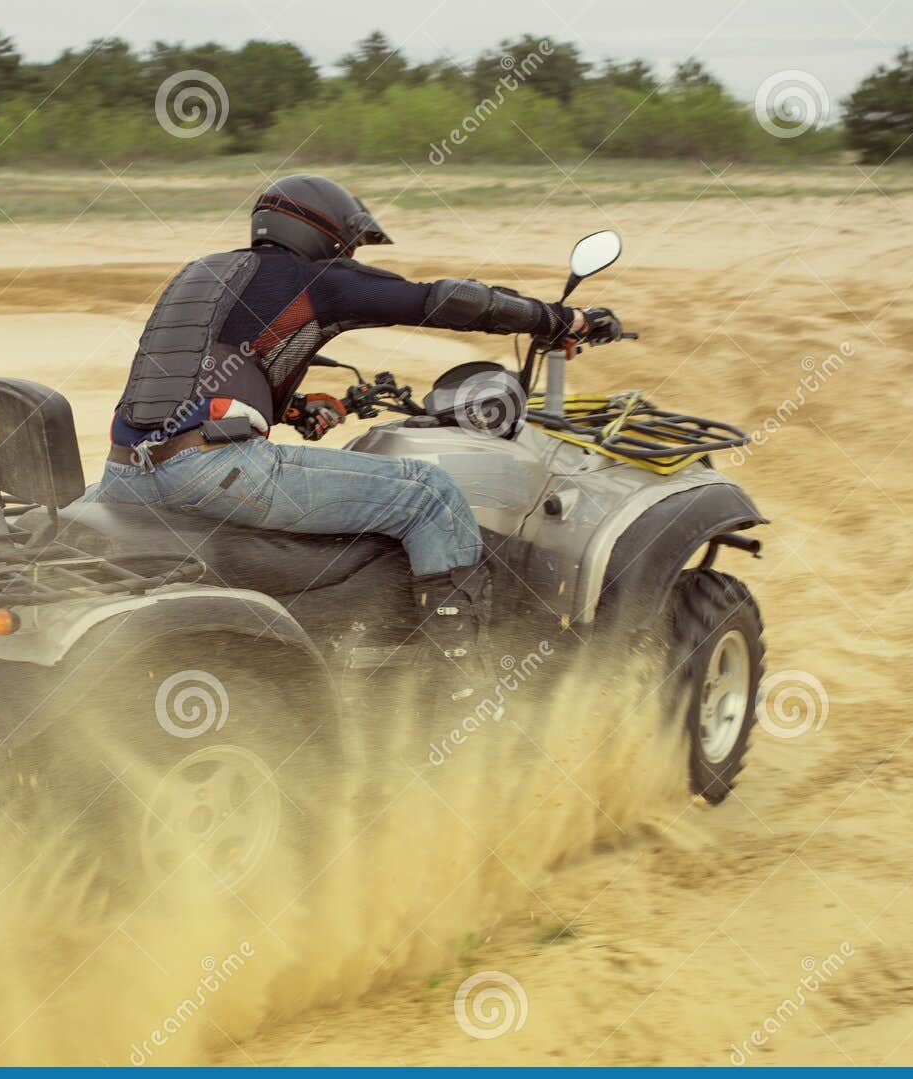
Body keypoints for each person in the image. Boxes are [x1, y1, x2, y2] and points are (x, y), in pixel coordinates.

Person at [85, 173, 618, 699]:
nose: (352, 259)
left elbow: (191, 377)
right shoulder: (315, 279)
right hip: (210, 471)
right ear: (326, 235)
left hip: (126, 474)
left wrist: (294, 408)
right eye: (351, 246)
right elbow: (441, 299)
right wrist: (557, 319)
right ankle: (462, 682)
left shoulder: (203, 274)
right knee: (429, 493)